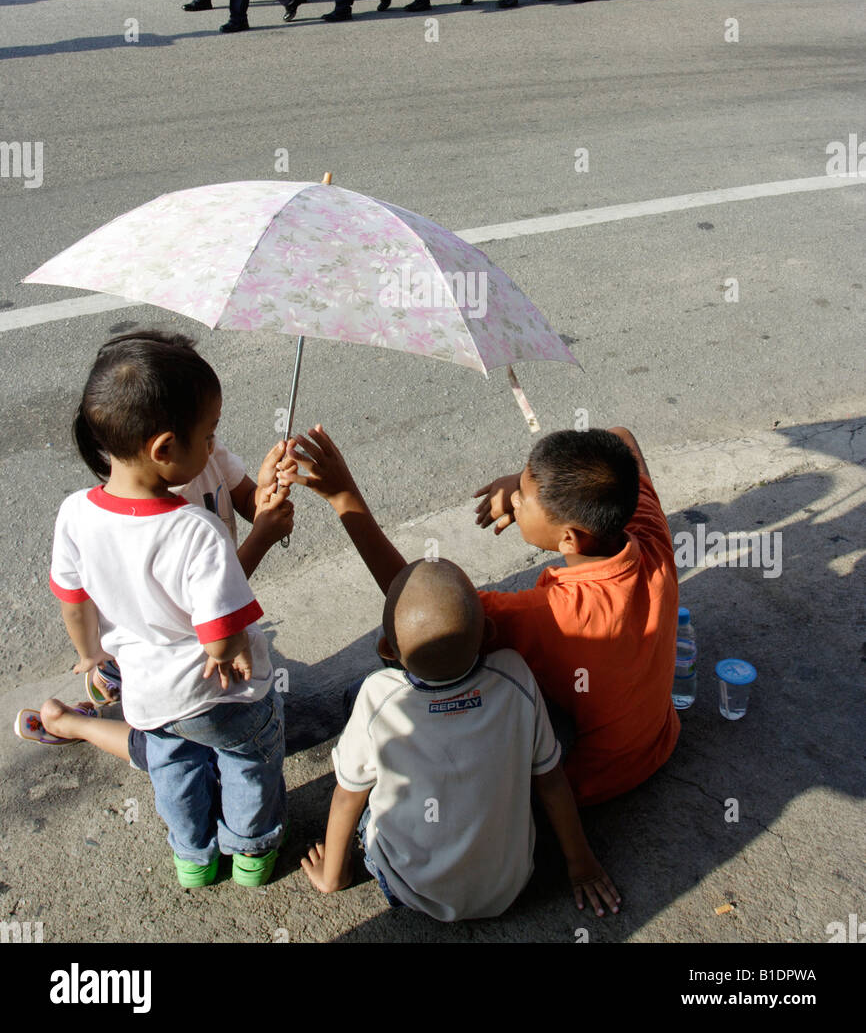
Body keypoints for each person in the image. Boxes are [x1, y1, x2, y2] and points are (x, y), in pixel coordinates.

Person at [282, 424, 681, 810]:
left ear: (570, 539)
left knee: (426, 650)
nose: (515, 500)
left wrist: (344, 498)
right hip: (657, 742)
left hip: (584, 781)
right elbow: (622, 438)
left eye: (524, 497)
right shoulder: (649, 533)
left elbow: (421, 606)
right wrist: (525, 482)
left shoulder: (551, 614)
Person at [22, 331, 290, 888]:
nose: (216, 443)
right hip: (210, 690)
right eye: (210, 433)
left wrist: (91, 654)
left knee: (174, 771)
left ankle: (192, 857)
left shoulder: (75, 513)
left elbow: (72, 600)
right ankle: (250, 852)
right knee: (249, 757)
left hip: (146, 693)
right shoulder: (195, 531)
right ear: (164, 448)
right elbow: (218, 629)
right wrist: (234, 648)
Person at [301, 557, 620, 921]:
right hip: (509, 887)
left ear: (387, 651)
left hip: (409, 889)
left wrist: (333, 875)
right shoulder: (516, 674)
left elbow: (347, 796)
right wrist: (583, 866)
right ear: (488, 635)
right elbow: (551, 783)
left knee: (355, 715)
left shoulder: (376, 695)